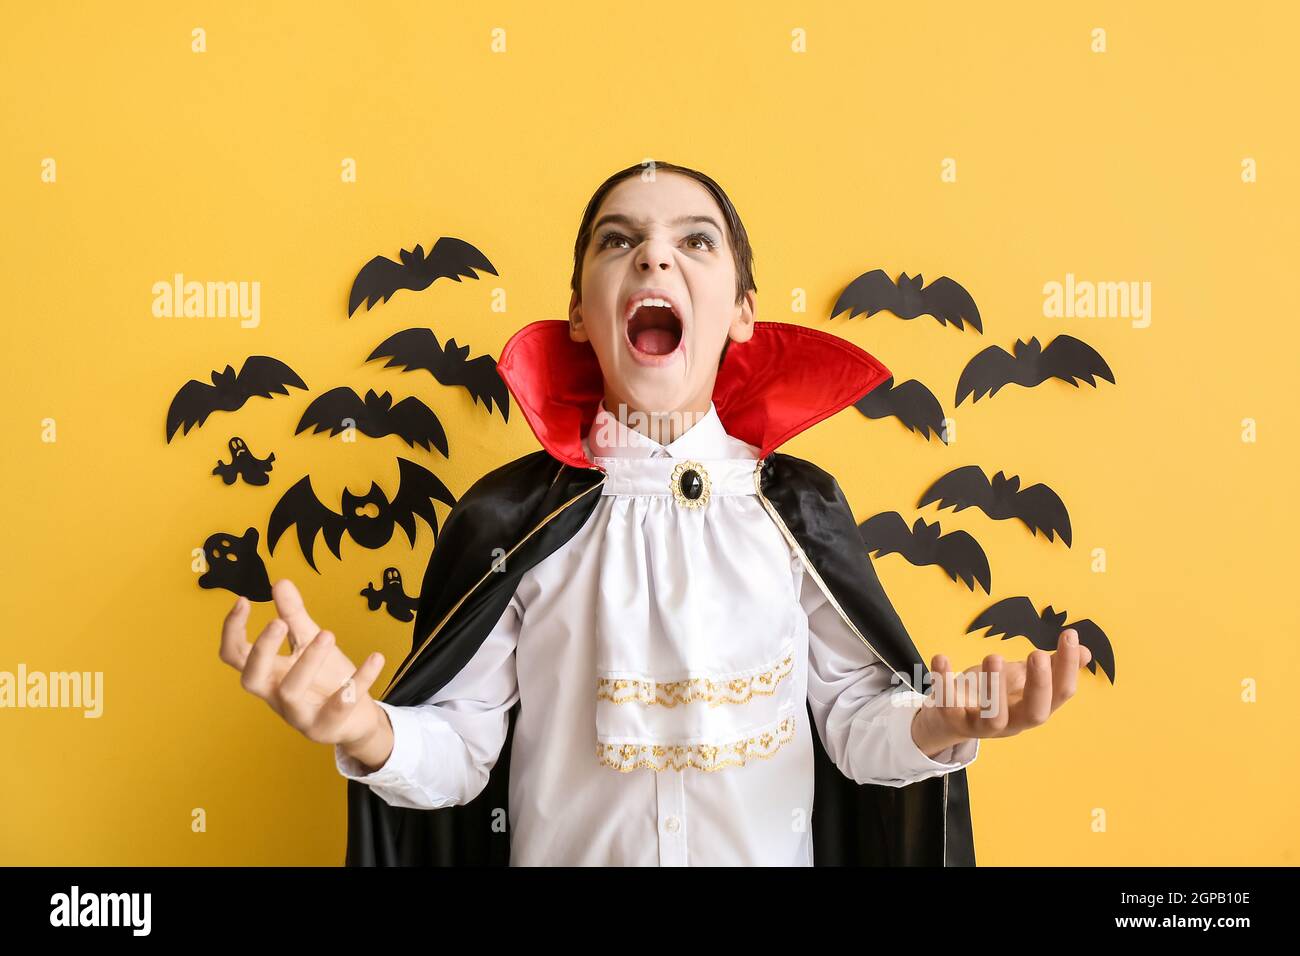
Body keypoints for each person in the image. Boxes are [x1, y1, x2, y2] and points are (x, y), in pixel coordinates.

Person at [218, 161, 1093, 866]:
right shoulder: (515, 521)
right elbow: (459, 751)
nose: (654, 258)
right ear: (578, 316)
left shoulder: (797, 512)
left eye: (695, 241)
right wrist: (367, 730)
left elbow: (858, 730)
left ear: (743, 315)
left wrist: (945, 722)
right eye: (619, 240)